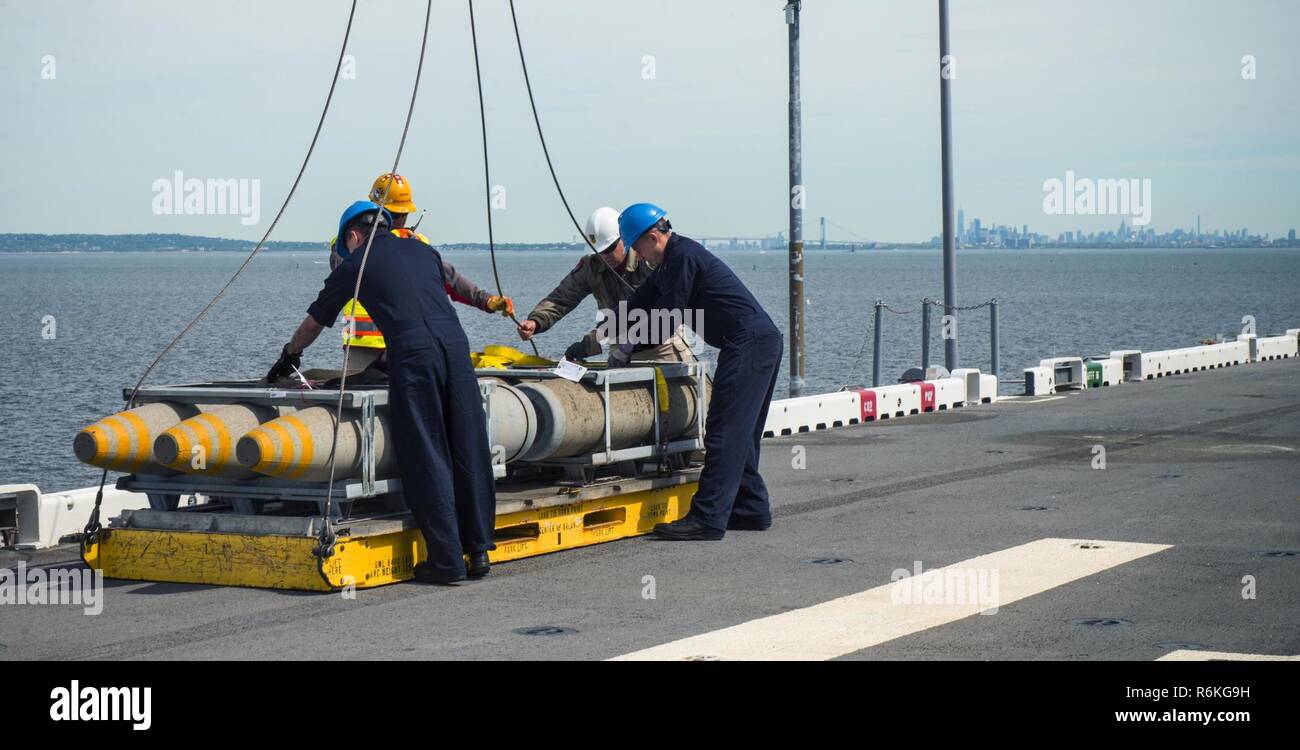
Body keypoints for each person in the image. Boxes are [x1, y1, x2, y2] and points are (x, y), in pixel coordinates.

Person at [267, 201, 497, 584]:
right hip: (456, 348)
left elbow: (313, 324)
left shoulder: (355, 265)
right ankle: (477, 552)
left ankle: (446, 561)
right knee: (467, 442)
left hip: (414, 354)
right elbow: (441, 296)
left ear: (353, 236)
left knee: (427, 449)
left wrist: (288, 356)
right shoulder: (423, 250)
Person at [610, 203, 783, 541]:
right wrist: (597, 337)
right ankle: (750, 509)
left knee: (723, 430)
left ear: (652, 237)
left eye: (638, 247)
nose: (638, 255)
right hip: (757, 342)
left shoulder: (682, 257)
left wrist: (628, 345)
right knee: (741, 433)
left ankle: (706, 518)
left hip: (749, 343)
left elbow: (665, 320)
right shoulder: (670, 264)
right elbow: (638, 304)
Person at [331, 173, 514, 374]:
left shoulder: (413, 245)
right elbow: (341, 266)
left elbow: (449, 279)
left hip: (398, 343)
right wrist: (485, 300)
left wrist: (486, 300)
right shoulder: (356, 245)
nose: (400, 220)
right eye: (398, 215)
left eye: (402, 216)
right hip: (373, 345)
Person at [517, 206, 695, 363]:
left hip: (662, 347)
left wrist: (593, 342)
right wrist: (536, 321)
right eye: (599, 252)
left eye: (610, 248)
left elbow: (667, 307)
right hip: (620, 347)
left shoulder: (649, 260)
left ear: (624, 239)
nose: (605, 256)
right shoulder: (590, 267)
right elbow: (562, 298)